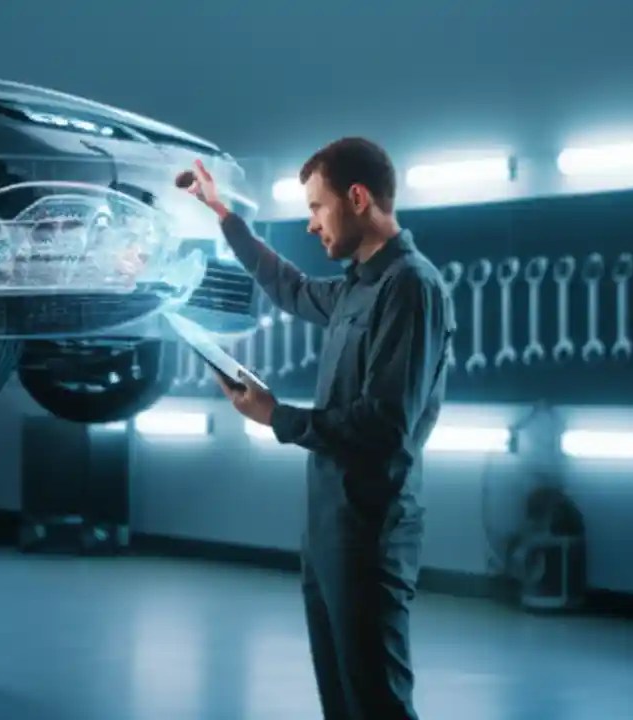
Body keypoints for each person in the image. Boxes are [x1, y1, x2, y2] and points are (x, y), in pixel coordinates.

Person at [181, 137, 454, 720]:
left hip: (370, 534)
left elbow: (385, 426)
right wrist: (224, 218)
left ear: (357, 198)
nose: (310, 225)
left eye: (316, 208)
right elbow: (291, 288)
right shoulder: (360, 283)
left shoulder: (410, 286)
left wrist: (276, 416)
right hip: (328, 531)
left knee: (376, 705)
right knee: (341, 704)